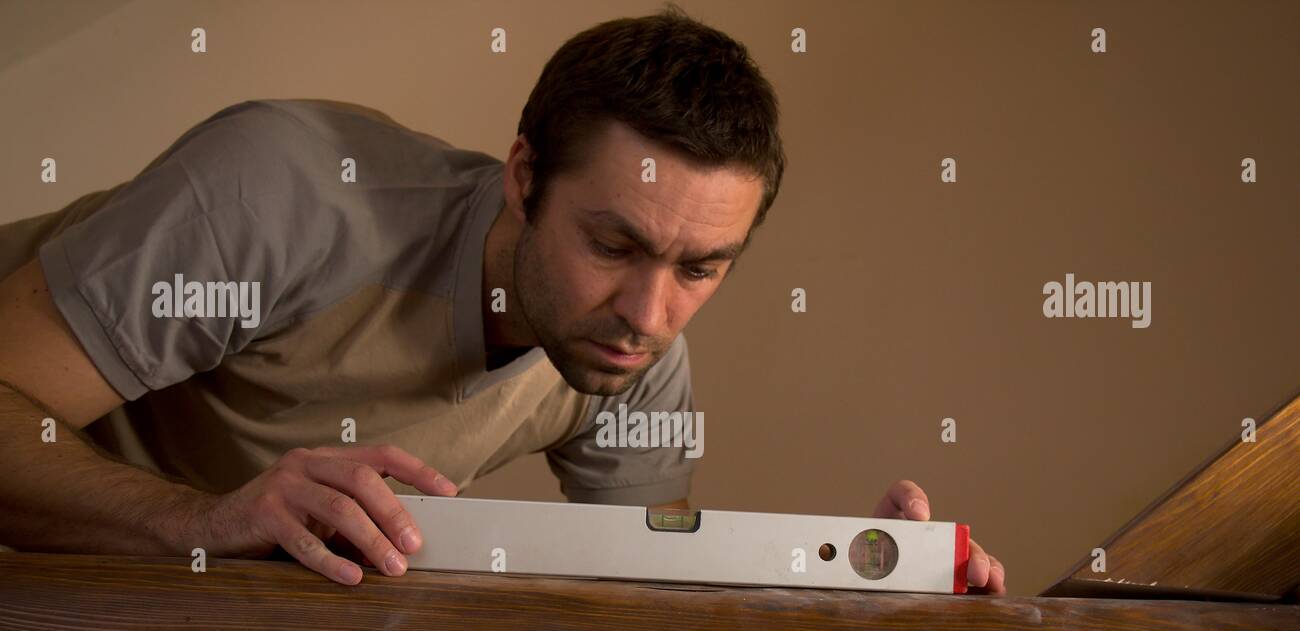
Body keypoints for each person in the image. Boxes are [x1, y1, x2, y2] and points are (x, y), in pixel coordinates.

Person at [0, 5, 1005, 593]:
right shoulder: (284, 194)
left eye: (701, 268)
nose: (649, 315)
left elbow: (647, 608)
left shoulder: (634, 362)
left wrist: (863, 584)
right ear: (522, 176)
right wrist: (202, 521)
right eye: (614, 243)